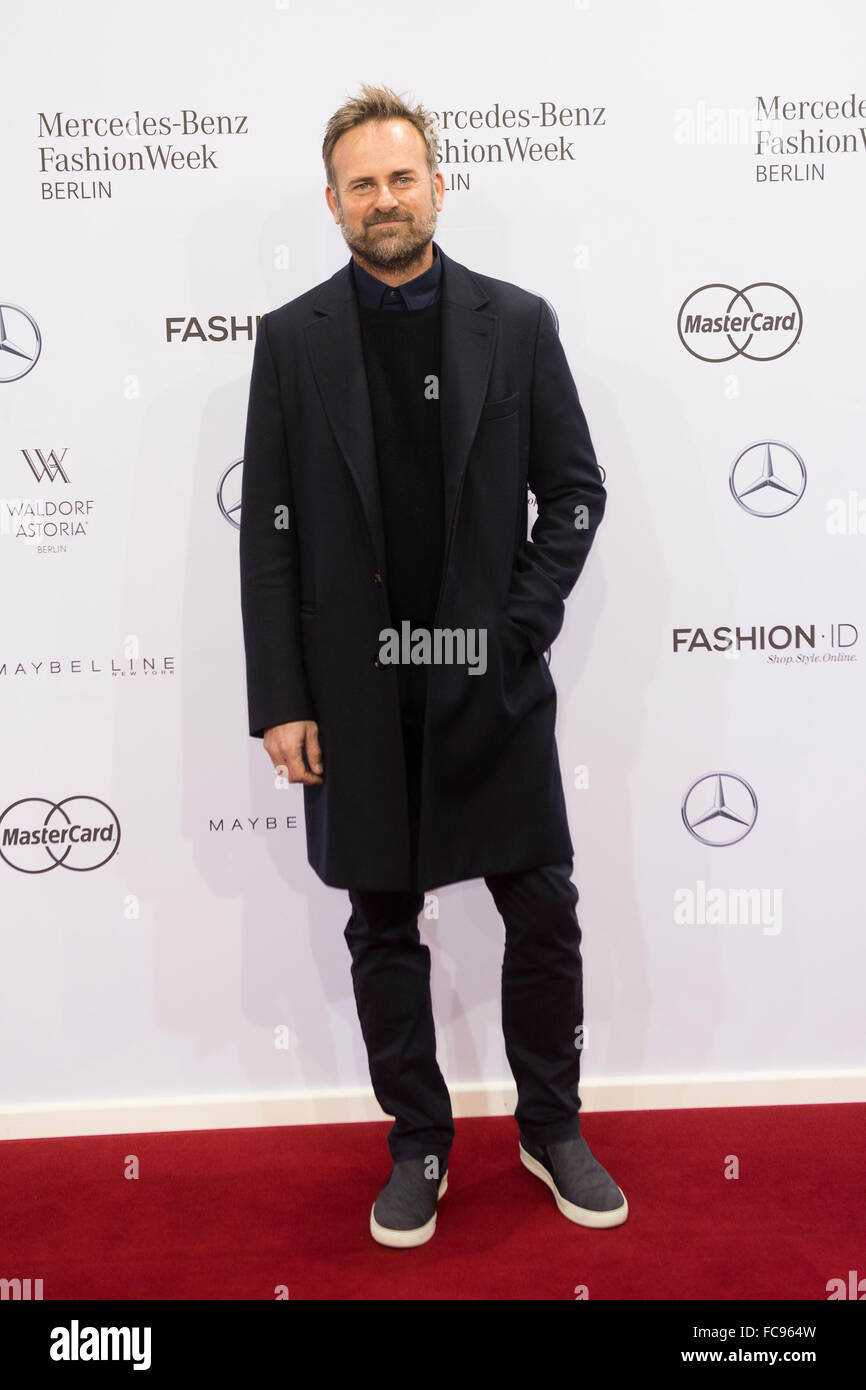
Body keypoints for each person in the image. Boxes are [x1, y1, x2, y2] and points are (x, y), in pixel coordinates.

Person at [239, 83, 627, 1248]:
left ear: (437, 184)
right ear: (332, 203)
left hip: (487, 681)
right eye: (360, 184)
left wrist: (516, 628)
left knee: (543, 912)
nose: (383, 199)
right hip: (355, 696)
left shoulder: (515, 322)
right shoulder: (290, 339)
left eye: (401, 177)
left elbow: (572, 490)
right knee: (380, 926)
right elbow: (268, 533)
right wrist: (281, 702)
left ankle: (550, 1126)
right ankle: (417, 1139)